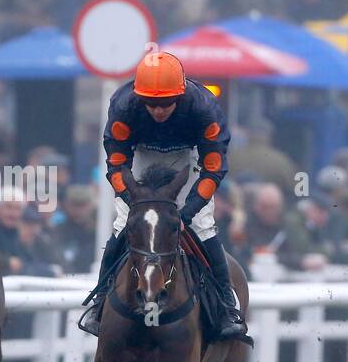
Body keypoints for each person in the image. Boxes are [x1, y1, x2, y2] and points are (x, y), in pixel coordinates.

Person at [84, 51, 247, 340]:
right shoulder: (123, 106)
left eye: (165, 103)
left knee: (203, 226)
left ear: (180, 96)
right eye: (151, 103)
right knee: (123, 225)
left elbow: (213, 168)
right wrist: (133, 201)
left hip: (188, 159)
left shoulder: (205, 108)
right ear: (139, 97)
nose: (158, 110)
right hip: (142, 157)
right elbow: (117, 162)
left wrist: (187, 213)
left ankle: (226, 307)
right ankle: (99, 303)